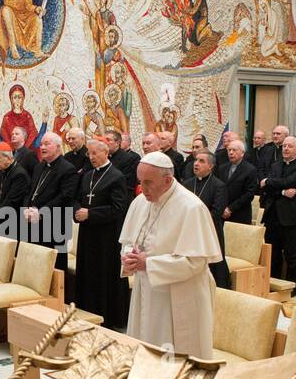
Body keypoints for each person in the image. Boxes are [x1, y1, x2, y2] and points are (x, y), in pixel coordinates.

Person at [119, 152, 222, 357]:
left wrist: (149, 264)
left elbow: (196, 262)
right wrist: (129, 256)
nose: (143, 188)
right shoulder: (140, 202)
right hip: (145, 288)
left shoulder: (191, 207)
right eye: (140, 181)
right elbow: (129, 242)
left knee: (175, 355)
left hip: (179, 294)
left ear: (167, 180)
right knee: (145, 346)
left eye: (148, 183)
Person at [73, 137, 130, 328]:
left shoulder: (117, 177)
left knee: (104, 275)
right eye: (89, 153)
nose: (91, 157)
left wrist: (90, 213)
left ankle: (108, 317)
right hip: (88, 234)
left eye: (94, 153)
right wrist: (77, 211)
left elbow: (118, 208)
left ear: (105, 153)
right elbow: (78, 199)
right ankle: (89, 313)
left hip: (107, 237)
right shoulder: (87, 175)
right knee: (88, 272)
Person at [261, 135, 296, 293]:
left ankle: (292, 287)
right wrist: (282, 191)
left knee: (290, 254)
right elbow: (269, 188)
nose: (286, 149)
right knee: (273, 253)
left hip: (290, 217)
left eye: (289, 146)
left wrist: (270, 182)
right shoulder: (276, 165)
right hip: (272, 215)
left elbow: (287, 182)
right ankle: (273, 284)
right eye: (284, 146)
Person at [23, 133, 78, 266]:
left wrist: (41, 212)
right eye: (41, 144)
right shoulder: (39, 167)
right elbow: (30, 191)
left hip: (55, 226)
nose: (42, 147)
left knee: (55, 267)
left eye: (47, 144)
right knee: (35, 264)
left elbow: (65, 197)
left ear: (58, 147)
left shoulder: (68, 169)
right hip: (34, 224)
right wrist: (26, 208)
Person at [184, 150, 231, 289]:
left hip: (210, 232)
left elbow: (216, 213)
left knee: (214, 268)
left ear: (211, 166)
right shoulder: (186, 184)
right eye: (196, 160)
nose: (196, 164)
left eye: (201, 161)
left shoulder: (219, 186)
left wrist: (194, 219)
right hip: (189, 232)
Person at [0, 142, 31, 227]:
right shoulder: (1, 171)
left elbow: (11, 201)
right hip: (1, 218)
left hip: (13, 221)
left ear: (8, 158)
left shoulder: (19, 175)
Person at [220, 139, 260, 225]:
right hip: (222, 214)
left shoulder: (250, 170)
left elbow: (249, 194)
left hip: (240, 214)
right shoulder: (222, 168)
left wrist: (230, 209)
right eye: (229, 150)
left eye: (234, 150)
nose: (231, 153)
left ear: (242, 153)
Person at [107, 130, 140, 198]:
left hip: (120, 197)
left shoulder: (131, 158)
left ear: (118, 142)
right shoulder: (105, 157)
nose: (105, 143)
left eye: (108, 140)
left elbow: (128, 184)